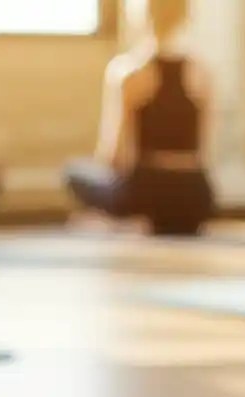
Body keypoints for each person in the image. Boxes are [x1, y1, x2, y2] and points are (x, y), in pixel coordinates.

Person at [65, 0, 214, 237]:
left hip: (146, 195)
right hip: (196, 196)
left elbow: (113, 155)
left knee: (74, 172)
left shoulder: (128, 72)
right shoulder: (201, 72)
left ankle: (115, 219)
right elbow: (204, 152)